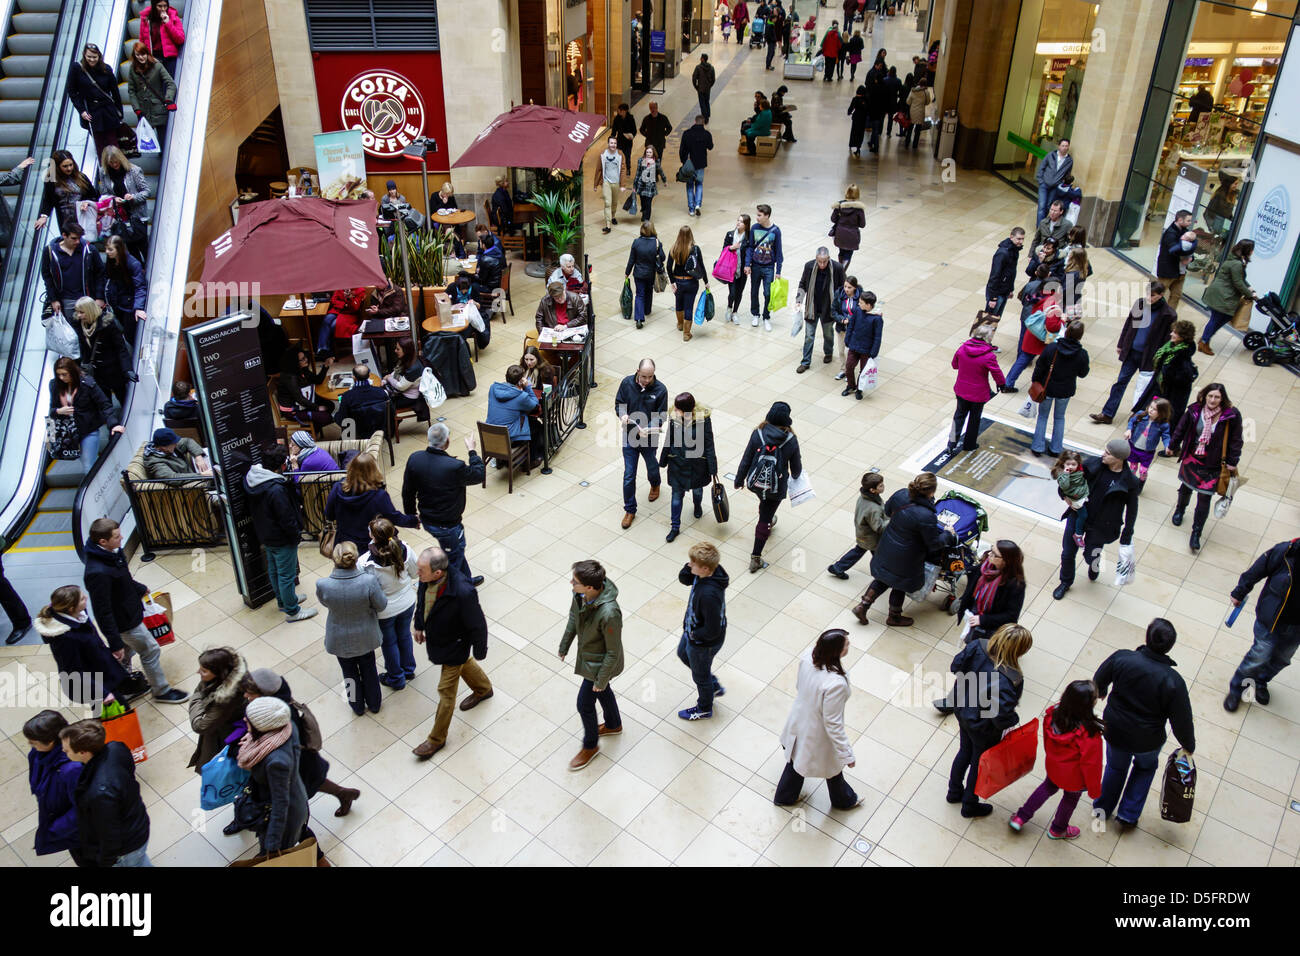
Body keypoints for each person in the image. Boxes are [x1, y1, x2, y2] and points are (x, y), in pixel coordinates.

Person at [1092, 618, 1195, 829]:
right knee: (1144, 769)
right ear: (1170, 647)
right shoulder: (1173, 681)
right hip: (1147, 740)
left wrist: (1101, 691)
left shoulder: (1122, 658)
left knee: (1115, 767)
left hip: (1115, 730)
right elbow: (1181, 719)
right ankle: (1128, 815)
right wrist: (1188, 744)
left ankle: (1102, 809)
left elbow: (1099, 679)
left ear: (1146, 638)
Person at [83, 517, 188, 704]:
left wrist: (138, 588)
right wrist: (114, 642)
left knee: (125, 654)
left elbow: (123, 578)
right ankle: (162, 691)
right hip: (125, 622)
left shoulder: (112, 553)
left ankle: (122, 687)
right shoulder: (97, 572)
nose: (122, 538)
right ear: (103, 541)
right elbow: (102, 611)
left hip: (130, 612)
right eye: (116, 536)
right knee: (150, 650)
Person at [408, 546, 494, 760]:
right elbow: (422, 600)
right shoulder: (425, 577)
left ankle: (436, 739)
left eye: (421, 571)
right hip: (441, 640)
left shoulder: (463, 591)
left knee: (446, 692)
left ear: (438, 573)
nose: (418, 574)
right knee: (464, 663)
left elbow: (478, 624)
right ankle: (483, 689)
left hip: (454, 645)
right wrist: (419, 624)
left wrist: (480, 651)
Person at [945, 623, 1033, 818]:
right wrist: (1014, 719)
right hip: (984, 728)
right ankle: (969, 805)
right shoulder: (1013, 678)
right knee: (978, 763)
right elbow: (1001, 716)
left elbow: (955, 666)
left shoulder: (977, 645)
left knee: (964, 751)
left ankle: (953, 792)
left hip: (962, 709)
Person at [773, 628, 861, 809]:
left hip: (799, 719)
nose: (849, 645)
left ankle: (785, 796)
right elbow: (833, 722)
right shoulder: (836, 684)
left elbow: (799, 686)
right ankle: (843, 800)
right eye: (846, 644)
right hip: (817, 732)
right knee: (831, 766)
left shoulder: (807, 658)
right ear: (837, 651)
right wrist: (846, 753)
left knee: (797, 759)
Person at [853, 473, 957, 626]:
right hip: (908, 556)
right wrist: (948, 534)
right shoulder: (927, 515)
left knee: (883, 577)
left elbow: (888, 511)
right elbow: (934, 544)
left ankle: (863, 605)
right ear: (932, 492)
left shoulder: (901, 494)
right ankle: (894, 617)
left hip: (888, 546)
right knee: (899, 584)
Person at [1008, 680, 1103, 840]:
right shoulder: (1090, 734)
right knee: (1070, 800)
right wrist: (1094, 790)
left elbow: (1046, 741)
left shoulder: (1052, 715)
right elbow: (1092, 765)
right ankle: (1058, 829)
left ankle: (1020, 817)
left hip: (1054, 767)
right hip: (1075, 779)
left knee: (1046, 788)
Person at [1053, 439, 1140, 600]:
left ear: (1118, 458)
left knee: (1091, 555)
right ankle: (1065, 582)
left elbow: (1132, 509)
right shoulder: (1092, 464)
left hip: (1102, 526)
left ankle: (1096, 565)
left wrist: (1128, 532)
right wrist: (1065, 496)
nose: (1103, 454)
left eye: (1108, 453)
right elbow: (1069, 481)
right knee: (1067, 553)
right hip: (1079, 515)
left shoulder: (1130, 482)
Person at [401, 422, 486, 587]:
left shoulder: (415, 459)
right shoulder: (454, 467)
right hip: (448, 525)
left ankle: (465, 580)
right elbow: (478, 475)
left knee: (455, 550)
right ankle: (445, 589)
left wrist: (411, 516)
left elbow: (407, 491)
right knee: (454, 555)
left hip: (428, 520)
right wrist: (472, 450)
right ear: (447, 441)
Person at [559, 560, 624, 771]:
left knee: (584, 704)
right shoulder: (580, 596)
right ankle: (614, 724)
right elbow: (573, 618)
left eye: (575, 581)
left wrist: (601, 678)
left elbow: (612, 652)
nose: (571, 583)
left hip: (600, 664)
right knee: (602, 692)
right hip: (590, 657)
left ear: (590, 586)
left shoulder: (609, 613)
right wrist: (565, 644)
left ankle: (590, 746)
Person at [61, 719, 152, 867]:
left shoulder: (100, 793)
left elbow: (110, 836)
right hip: (138, 824)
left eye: (66, 750)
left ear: (83, 752)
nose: (63, 752)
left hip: (127, 847)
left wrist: (105, 863)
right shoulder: (117, 747)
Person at [1225, 538, 1300, 712]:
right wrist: (1240, 591)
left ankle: (1261, 681)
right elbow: (1259, 568)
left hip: (1296, 628)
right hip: (1271, 620)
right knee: (1258, 657)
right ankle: (1237, 690)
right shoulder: (1286, 551)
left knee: (1282, 659)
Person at [244, 443, 317, 622]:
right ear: (282, 465)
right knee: (286, 575)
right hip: (282, 538)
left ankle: (284, 601)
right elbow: (286, 518)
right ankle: (292, 610)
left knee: (275, 571)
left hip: (266, 535)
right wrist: (295, 535)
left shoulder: (253, 479)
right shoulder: (276, 489)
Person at [33, 585, 137, 706]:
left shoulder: (79, 613)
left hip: (100, 671)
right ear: (71, 608)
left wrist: (106, 653)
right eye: (82, 599)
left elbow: (93, 637)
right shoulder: (65, 639)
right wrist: (102, 693)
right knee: (117, 711)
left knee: (113, 706)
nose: (86, 598)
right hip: (92, 682)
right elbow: (73, 672)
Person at [1168, 382, 1242, 554]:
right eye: (1210, 396)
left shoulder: (1231, 415)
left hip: (1213, 464)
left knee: (1204, 499)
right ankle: (1180, 509)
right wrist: (1172, 445)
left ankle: (1196, 533)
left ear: (1222, 399)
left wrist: (1233, 460)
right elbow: (1181, 427)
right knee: (1185, 488)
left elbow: (1236, 440)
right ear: (1204, 396)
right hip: (1192, 457)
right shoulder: (1194, 410)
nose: (1213, 400)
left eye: (1217, 397)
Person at [317, 541, 386, 716]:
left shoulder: (323, 585)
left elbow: (325, 602)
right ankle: (375, 704)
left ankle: (357, 706)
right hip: (366, 635)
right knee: (369, 669)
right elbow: (381, 605)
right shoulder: (368, 581)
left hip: (339, 638)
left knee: (349, 672)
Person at [237, 696, 310, 856]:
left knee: (275, 855)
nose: (244, 719)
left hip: (285, 814)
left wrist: (273, 842)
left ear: (262, 726)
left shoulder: (277, 762)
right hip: (292, 797)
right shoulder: (286, 728)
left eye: (249, 720)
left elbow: (281, 801)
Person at [735, 402, 802, 573]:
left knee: (764, 503)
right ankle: (755, 558)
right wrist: (794, 476)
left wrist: (739, 479)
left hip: (755, 483)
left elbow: (746, 458)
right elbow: (796, 470)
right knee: (764, 518)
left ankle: (768, 517)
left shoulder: (757, 434)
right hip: (776, 486)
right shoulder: (791, 440)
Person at [357, 517, 420, 691]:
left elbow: (364, 588)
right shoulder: (405, 549)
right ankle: (408, 670)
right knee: (405, 635)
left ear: (373, 536)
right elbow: (415, 574)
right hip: (407, 602)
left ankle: (396, 678)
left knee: (389, 642)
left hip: (384, 610)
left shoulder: (364, 561)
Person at [324, 452, 417, 550]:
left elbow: (329, 514)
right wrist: (413, 521)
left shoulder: (337, 488)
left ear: (351, 468)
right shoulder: (379, 496)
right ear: (374, 471)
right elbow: (393, 518)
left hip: (345, 546)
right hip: (371, 546)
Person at [615, 358, 668, 529]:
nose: (647, 380)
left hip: (649, 438)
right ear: (637, 371)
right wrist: (622, 414)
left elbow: (662, 415)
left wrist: (650, 427)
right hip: (629, 436)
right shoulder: (626, 383)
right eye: (644, 376)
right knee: (629, 474)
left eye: (650, 376)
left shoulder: (661, 390)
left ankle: (655, 483)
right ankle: (630, 509)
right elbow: (619, 403)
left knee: (652, 466)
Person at [658, 392, 717, 543]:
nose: (675, 411)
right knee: (676, 496)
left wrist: (712, 468)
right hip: (678, 464)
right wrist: (663, 459)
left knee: (697, 491)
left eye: (678, 409)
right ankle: (675, 526)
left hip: (697, 466)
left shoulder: (703, 421)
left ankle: (697, 505)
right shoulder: (675, 420)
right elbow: (668, 440)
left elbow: (709, 445)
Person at [24, 711, 81, 858]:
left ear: (50, 742)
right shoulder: (36, 753)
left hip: (79, 834)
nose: (30, 745)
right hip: (58, 817)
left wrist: (54, 830)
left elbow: (82, 809)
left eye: (33, 742)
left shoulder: (72, 769)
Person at [1029, 318, 1090, 457]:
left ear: (1066, 331)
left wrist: (1035, 381)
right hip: (1065, 390)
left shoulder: (1052, 348)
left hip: (1047, 388)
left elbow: (1040, 367)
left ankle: (1038, 446)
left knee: (1042, 416)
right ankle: (1056, 448)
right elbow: (1083, 374)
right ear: (1080, 335)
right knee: (1060, 418)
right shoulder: (1082, 354)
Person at [953, 540, 1027, 645]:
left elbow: (1011, 615)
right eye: (991, 550)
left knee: (980, 648)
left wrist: (983, 620)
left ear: (1006, 561)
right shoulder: (985, 566)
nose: (989, 554)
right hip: (976, 612)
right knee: (970, 641)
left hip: (991, 624)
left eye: (994, 554)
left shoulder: (1015, 585)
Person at [186, 647, 247, 774]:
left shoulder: (225, 700)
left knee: (216, 771)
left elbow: (200, 726)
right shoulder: (228, 678)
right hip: (224, 729)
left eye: (204, 671)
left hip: (223, 736)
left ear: (219, 673)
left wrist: (197, 696)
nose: (198, 672)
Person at [49, 357, 123, 463]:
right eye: (58, 374)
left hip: (88, 430)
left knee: (88, 464)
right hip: (69, 432)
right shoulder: (54, 385)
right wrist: (58, 411)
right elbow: (51, 409)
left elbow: (104, 404)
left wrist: (114, 424)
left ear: (72, 372)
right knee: (86, 462)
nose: (61, 378)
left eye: (64, 374)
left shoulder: (87, 384)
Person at [949, 323, 1005, 452]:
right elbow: (997, 372)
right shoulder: (989, 355)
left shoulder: (963, 348)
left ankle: (951, 443)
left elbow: (954, 365)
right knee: (974, 419)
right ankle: (969, 444)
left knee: (958, 416)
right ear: (987, 338)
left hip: (961, 389)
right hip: (978, 394)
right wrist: (1002, 384)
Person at [1132, 319, 1198, 426]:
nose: (1171, 334)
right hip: (1158, 386)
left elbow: (1180, 381)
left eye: (1175, 333)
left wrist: (1168, 373)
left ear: (1183, 336)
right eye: (1173, 331)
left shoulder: (1183, 358)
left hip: (1168, 394)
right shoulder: (1169, 347)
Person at [66, 43, 123, 159]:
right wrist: (81, 110)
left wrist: (119, 112)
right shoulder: (76, 68)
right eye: (89, 57)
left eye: (94, 57)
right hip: (91, 111)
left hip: (108, 110)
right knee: (100, 145)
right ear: (84, 55)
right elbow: (71, 91)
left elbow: (115, 92)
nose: (92, 60)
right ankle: (105, 170)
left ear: (99, 56)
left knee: (114, 144)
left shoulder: (106, 69)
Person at [72, 298, 133, 408]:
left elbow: (121, 348)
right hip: (96, 372)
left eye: (81, 312)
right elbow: (82, 348)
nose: (79, 315)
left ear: (90, 310)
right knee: (104, 403)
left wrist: (128, 369)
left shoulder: (107, 324)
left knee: (123, 399)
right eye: (77, 312)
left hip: (113, 370)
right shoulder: (79, 324)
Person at [1199, 239, 1256, 355]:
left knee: (1223, 318)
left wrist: (1249, 287)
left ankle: (1205, 339)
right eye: (1252, 249)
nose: (1253, 252)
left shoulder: (1235, 259)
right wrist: (1250, 295)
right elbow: (1238, 282)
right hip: (1223, 295)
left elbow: (1240, 279)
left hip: (1222, 293)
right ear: (1247, 250)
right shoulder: (1237, 263)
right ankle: (1204, 341)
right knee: (1216, 319)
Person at [827, 472, 886, 579]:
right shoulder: (873, 508)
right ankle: (881, 577)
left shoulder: (864, 497)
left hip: (863, 533)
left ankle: (838, 567)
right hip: (871, 538)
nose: (883, 487)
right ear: (872, 490)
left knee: (859, 551)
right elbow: (878, 527)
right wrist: (891, 520)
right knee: (879, 557)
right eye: (881, 485)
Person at [41, 220, 106, 318]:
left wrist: (99, 297)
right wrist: (53, 299)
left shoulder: (89, 250)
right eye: (74, 238)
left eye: (79, 238)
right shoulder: (50, 251)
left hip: (88, 299)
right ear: (64, 235)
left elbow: (100, 273)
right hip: (66, 301)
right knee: (72, 331)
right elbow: (47, 277)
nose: (77, 242)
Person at [795, 248, 844, 373]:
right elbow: (802, 284)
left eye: (825, 262)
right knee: (809, 336)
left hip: (828, 308)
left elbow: (843, 287)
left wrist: (840, 305)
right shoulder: (809, 266)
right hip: (812, 307)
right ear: (816, 259)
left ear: (829, 259)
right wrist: (799, 300)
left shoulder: (837, 268)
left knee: (828, 334)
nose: (822, 265)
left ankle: (828, 352)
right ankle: (805, 362)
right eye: (820, 261)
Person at [486, 364, 543, 466]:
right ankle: (533, 460)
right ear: (521, 380)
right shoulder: (521, 397)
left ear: (506, 376)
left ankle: (500, 460)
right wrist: (527, 387)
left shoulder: (493, 388)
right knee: (536, 426)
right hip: (509, 436)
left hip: (490, 433)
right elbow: (535, 405)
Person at [1004, 298, 1063, 395]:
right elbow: (1051, 326)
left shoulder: (1046, 299)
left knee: (1023, 359)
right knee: (1041, 363)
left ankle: (1008, 383)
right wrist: (1062, 321)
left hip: (1032, 335)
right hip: (1039, 340)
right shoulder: (1055, 304)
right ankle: (1040, 386)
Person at [127, 42, 175, 148]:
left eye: (143, 54)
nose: (141, 57)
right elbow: (131, 91)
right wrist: (137, 108)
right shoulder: (133, 69)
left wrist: (168, 99)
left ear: (147, 53)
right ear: (134, 55)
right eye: (138, 55)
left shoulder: (157, 66)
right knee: (147, 143)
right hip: (143, 111)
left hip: (159, 109)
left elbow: (170, 83)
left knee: (164, 141)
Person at [35, 150, 96, 233]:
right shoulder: (51, 181)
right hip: (65, 219)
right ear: (58, 167)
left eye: (71, 165)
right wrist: (44, 216)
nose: (69, 168)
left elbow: (93, 195)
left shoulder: (81, 177)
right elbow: (48, 199)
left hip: (83, 216)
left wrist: (87, 202)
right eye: (65, 166)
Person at [745, 204, 784, 332]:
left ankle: (766, 316)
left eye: (759, 215)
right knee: (754, 291)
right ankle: (755, 314)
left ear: (767, 216)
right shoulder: (754, 228)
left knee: (768, 293)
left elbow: (779, 252)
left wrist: (778, 271)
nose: (757, 218)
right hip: (755, 265)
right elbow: (750, 247)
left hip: (769, 267)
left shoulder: (776, 231)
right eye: (757, 214)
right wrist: (747, 264)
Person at [103, 236, 147, 347]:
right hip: (118, 303)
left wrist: (138, 308)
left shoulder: (133, 264)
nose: (107, 252)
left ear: (119, 249)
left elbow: (140, 287)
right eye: (106, 249)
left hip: (128, 305)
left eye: (110, 249)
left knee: (129, 334)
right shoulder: (112, 262)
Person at [666, 225, 708, 341]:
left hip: (678, 281)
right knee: (688, 306)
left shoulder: (674, 248)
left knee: (679, 303)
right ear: (691, 235)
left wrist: (672, 281)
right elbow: (701, 267)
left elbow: (668, 267)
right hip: (691, 282)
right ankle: (686, 333)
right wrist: (706, 281)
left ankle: (680, 324)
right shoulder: (695, 249)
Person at [275, 346, 331, 429]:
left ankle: (314, 428)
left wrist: (326, 366)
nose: (306, 360)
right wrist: (317, 407)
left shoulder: (301, 369)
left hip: (303, 401)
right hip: (293, 410)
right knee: (326, 417)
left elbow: (317, 380)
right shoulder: (290, 377)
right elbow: (299, 399)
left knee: (330, 405)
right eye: (302, 359)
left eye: (305, 357)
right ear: (294, 362)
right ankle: (311, 431)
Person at [841, 285, 882, 398]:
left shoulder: (877, 319)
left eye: (861, 302)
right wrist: (847, 340)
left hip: (866, 350)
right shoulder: (858, 311)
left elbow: (877, 337)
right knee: (849, 367)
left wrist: (873, 353)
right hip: (854, 346)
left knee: (863, 371)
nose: (859, 304)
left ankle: (859, 389)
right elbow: (851, 326)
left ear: (868, 305)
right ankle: (851, 386)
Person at [332, 364, 390, 439]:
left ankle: (348, 441)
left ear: (354, 377)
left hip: (358, 432)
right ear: (369, 375)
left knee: (338, 416)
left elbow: (342, 420)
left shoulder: (347, 396)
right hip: (380, 428)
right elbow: (390, 412)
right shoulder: (381, 392)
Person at [1156, 209, 1197, 311]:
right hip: (1168, 271)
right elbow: (1177, 250)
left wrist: (1191, 258)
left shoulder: (1184, 232)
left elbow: (1190, 248)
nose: (1190, 223)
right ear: (1179, 220)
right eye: (1188, 220)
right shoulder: (1170, 234)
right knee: (1157, 295)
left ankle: (1168, 317)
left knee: (1176, 295)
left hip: (1180, 271)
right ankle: (1153, 315)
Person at [97, 146, 150, 224]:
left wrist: (133, 197)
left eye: (116, 161)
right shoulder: (103, 172)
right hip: (117, 216)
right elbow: (104, 194)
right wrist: (113, 199)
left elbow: (147, 192)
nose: (114, 165)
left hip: (137, 215)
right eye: (111, 162)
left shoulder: (134, 170)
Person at [381, 338, 428, 423]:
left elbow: (401, 387)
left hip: (409, 398)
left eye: (398, 349)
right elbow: (396, 372)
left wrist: (388, 378)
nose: (395, 351)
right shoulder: (407, 359)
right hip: (403, 392)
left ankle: (390, 427)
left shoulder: (414, 368)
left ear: (406, 350)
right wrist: (385, 380)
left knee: (384, 404)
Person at [315, 287, 367, 359]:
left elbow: (355, 307)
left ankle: (329, 349)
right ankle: (322, 348)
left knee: (333, 325)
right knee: (326, 320)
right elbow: (333, 300)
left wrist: (350, 298)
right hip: (337, 310)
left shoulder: (360, 290)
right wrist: (344, 304)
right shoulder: (340, 287)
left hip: (349, 314)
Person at [139, 0, 185, 80]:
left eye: (165, 6)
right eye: (160, 6)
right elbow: (142, 40)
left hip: (169, 59)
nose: (163, 9)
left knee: (168, 87)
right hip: (153, 58)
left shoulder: (173, 17)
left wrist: (168, 23)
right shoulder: (146, 19)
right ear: (154, 6)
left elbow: (180, 39)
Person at [142, 426, 210, 479]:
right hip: (193, 480)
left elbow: (187, 441)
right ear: (163, 447)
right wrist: (202, 475)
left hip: (192, 470)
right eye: (173, 443)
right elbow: (173, 478)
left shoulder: (168, 447)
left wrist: (198, 456)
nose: (176, 444)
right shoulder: (155, 463)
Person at [679, 115, 713, 216]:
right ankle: (698, 204)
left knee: (689, 186)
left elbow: (682, 150)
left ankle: (691, 209)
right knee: (699, 184)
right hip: (701, 164)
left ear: (695, 121)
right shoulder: (706, 134)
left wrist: (683, 161)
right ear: (703, 123)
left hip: (689, 164)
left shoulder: (687, 133)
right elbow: (710, 147)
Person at [1054, 450, 1090, 546]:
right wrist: (1066, 475)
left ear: (1078, 464)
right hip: (1075, 499)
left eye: (1073, 464)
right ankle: (1078, 534)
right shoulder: (1063, 475)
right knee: (1083, 515)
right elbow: (1064, 486)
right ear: (1063, 463)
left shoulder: (1081, 470)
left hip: (1082, 494)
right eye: (1068, 464)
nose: (1070, 467)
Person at [720, 214, 751, 325]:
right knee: (732, 292)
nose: (738, 223)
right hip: (731, 269)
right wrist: (731, 248)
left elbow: (749, 253)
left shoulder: (748, 238)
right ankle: (729, 308)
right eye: (738, 220)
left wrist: (748, 265)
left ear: (746, 225)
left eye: (741, 221)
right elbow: (723, 250)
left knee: (739, 292)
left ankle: (735, 312)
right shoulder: (730, 235)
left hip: (742, 270)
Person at [1035, 138, 1072, 224]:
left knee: (1049, 207)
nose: (1064, 148)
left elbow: (1067, 174)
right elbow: (1042, 168)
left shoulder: (1069, 160)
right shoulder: (1051, 155)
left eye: (1066, 146)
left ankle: (1043, 224)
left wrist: (1062, 184)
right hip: (1044, 185)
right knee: (1041, 206)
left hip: (1055, 187)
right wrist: (1040, 181)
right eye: (1063, 145)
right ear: (1059, 146)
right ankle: (1040, 228)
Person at [830, 185, 866, 267]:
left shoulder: (839, 205)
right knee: (848, 254)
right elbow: (862, 224)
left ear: (846, 193)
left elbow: (833, 219)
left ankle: (840, 271)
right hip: (852, 235)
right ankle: (841, 272)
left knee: (841, 252)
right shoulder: (859, 209)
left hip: (840, 234)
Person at [596, 136, 624, 234]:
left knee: (614, 202)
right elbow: (599, 169)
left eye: (615, 143)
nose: (613, 145)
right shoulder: (603, 154)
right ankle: (608, 225)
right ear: (608, 144)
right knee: (608, 203)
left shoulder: (620, 154)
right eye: (611, 143)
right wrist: (596, 184)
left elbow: (623, 170)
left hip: (616, 182)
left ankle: (613, 217)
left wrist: (622, 184)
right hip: (606, 182)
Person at [905, 78, 931, 150]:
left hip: (912, 112)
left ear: (919, 83)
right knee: (918, 130)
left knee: (910, 128)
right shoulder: (926, 92)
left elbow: (908, 102)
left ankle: (907, 143)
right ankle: (915, 145)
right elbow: (928, 102)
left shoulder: (913, 91)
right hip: (920, 112)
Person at [611, 103, 637, 174]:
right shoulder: (617, 118)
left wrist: (631, 136)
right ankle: (619, 169)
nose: (619, 112)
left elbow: (634, 130)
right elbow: (614, 130)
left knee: (627, 155)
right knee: (619, 155)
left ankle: (628, 169)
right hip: (620, 140)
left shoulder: (630, 118)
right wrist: (612, 138)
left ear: (625, 111)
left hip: (628, 141)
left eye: (620, 110)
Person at [847, 84, 870, 157]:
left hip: (856, 117)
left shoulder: (855, 99)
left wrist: (849, 112)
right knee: (860, 133)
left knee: (854, 131)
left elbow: (851, 108)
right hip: (863, 118)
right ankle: (858, 147)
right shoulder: (866, 99)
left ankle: (851, 144)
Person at [692, 54, 716, 120]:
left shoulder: (698, 67)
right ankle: (707, 115)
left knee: (702, 103)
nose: (700, 59)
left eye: (701, 58)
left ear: (702, 59)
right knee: (707, 102)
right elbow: (713, 79)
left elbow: (694, 78)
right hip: (707, 89)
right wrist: (710, 86)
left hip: (700, 88)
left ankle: (705, 117)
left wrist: (696, 86)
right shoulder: (711, 68)